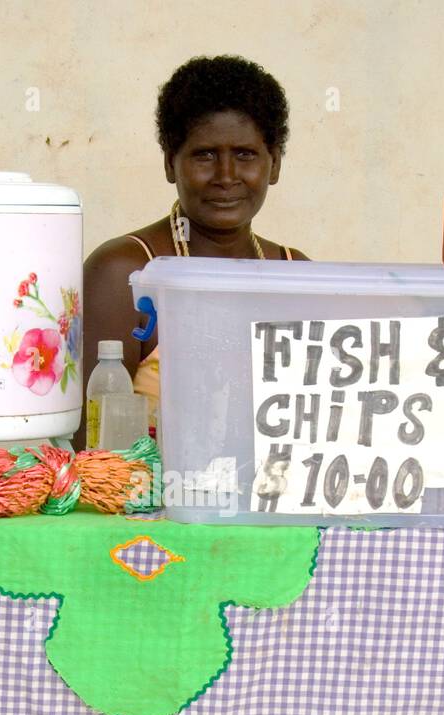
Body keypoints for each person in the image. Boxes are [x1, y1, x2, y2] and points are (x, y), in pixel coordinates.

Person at [80, 55, 308, 445]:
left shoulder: (294, 272)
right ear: (171, 164)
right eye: (204, 155)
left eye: (245, 155)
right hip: (146, 503)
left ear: (275, 165)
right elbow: (88, 441)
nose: (225, 176)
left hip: (264, 502)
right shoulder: (127, 271)